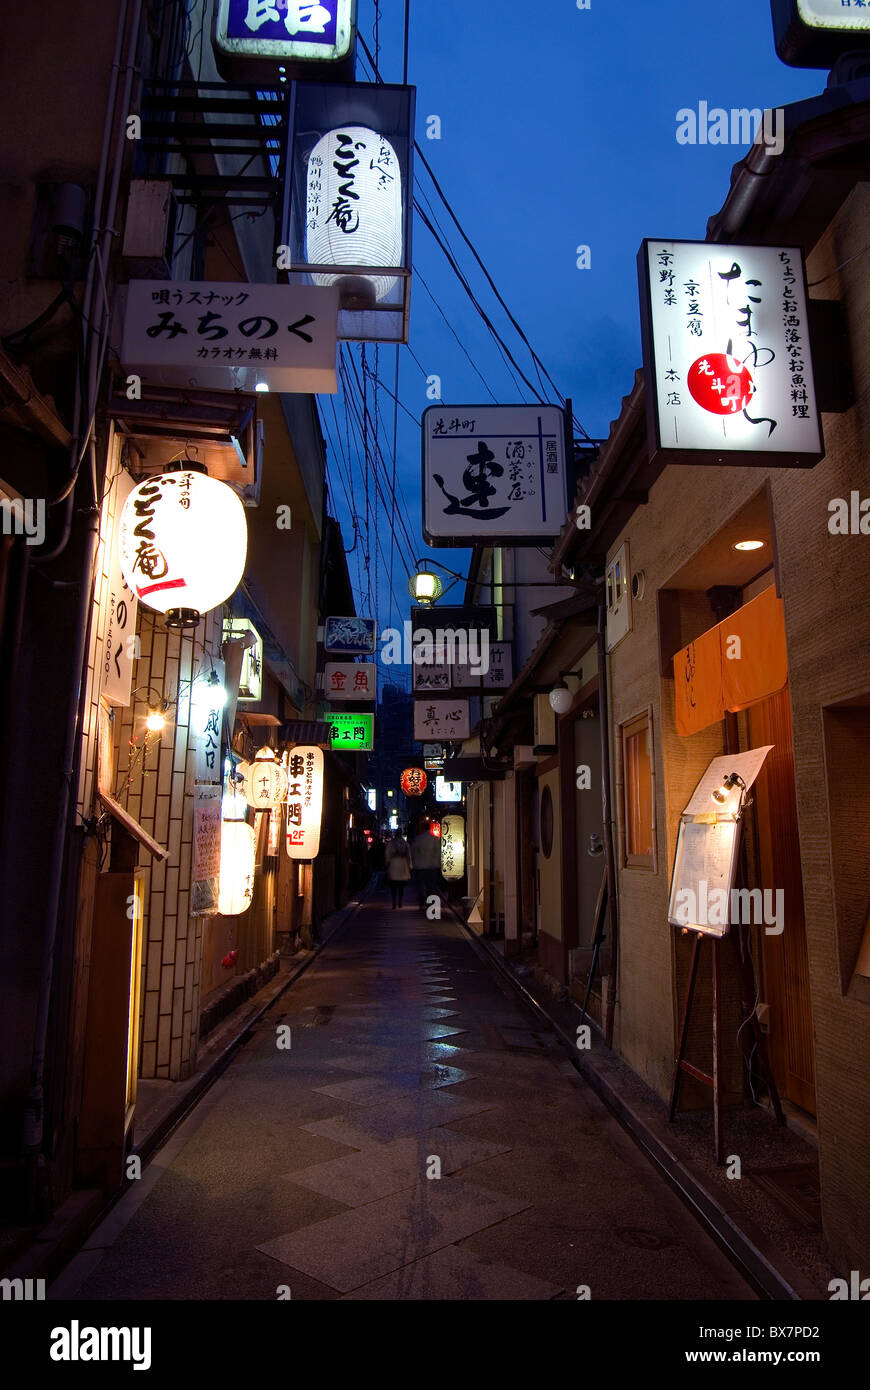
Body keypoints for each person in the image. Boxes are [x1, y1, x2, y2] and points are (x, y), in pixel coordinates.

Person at [411, 821, 441, 909]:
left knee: (421, 885)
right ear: (430, 828)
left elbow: (413, 852)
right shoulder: (435, 839)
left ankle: (421, 902)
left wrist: (414, 862)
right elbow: (438, 852)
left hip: (420, 866)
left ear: (423, 828)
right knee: (431, 885)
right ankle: (430, 903)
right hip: (432, 866)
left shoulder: (418, 839)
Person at [385, 830, 412, 908]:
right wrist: (410, 866)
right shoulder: (405, 844)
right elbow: (409, 856)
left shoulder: (391, 844)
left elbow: (387, 854)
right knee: (401, 886)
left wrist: (387, 863)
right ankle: (400, 901)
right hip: (403, 865)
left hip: (393, 865)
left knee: (393, 886)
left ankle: (394, 902)